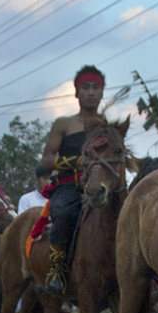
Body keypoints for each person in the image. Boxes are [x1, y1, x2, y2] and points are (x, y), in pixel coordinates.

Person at [39, 65, 108, 296]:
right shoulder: (64, 123)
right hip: (70, 185)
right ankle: (58, 269)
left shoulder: (106, 126)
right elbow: (47, 160)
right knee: (65, 213)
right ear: (76, 93)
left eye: (96, 87)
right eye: (85, 87)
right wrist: (77, 162)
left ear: (102, 92)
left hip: (99, 184)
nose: (91, 92)